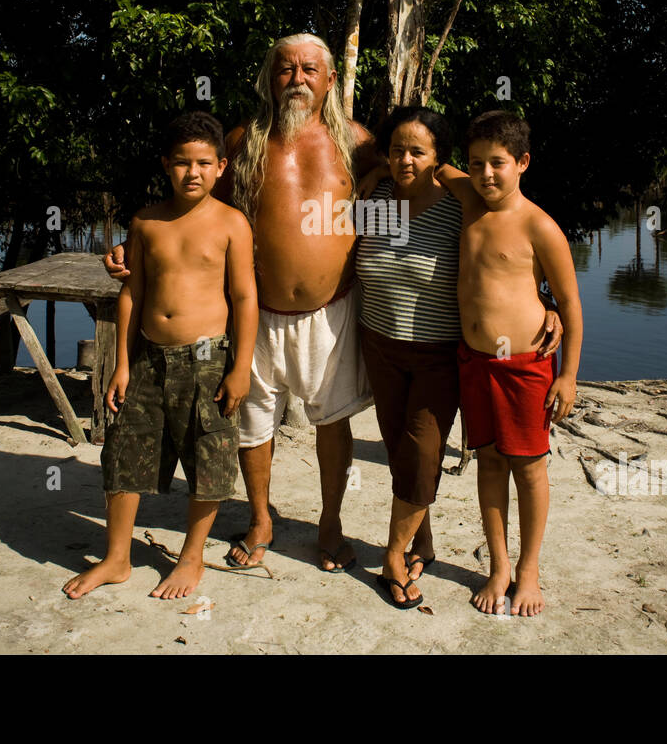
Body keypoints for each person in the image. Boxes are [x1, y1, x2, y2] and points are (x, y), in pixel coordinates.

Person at [106, 33, 378, 572]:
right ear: (268, 78)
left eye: (308, 70)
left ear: (329, 81)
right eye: (285, 69)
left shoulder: (360, 142)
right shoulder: (241, 141)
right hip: (255, 312)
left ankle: (330, 524)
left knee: (333, 421)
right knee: (251, 424)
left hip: (333, 311)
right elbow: (196, 209)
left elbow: (417, 189)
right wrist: (128, 246)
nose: (296, 79)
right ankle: (260, 519)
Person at [355, 108, 564, 609]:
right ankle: (424, 543)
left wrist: (547, 307)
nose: (406, 159)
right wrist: (379, 172)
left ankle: (392, 559)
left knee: (426, 453)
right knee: (406, 454)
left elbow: (506, 255)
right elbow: (337, 252)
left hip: (442, 353)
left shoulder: (461, 203)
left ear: (439, 159)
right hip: (380, 346)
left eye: (418, 151)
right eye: (396, 150)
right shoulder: (372, 201)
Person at [64, 111, 257, 601]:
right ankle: (117, 557)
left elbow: (245, 298)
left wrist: (240, 369)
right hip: (148, 358)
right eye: (181, 163)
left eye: (203, 163)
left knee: (209, 458)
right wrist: (123, 364)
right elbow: (132, 293)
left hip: (209, 361)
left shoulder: (233, 223)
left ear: (221, 166)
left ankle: (192, 558)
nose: (192, 172)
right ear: (165, 166)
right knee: (123, 452)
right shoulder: (146, 221)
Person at [439, 110, 583, 617]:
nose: (485, 175)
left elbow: (569, 302)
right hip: (476, 362)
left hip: (524, 366)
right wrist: (372, 173)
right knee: (489, 461)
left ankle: (529, 570)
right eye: (476, 164)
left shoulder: (539, 225)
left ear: (522, 162)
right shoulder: (468, 200)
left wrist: (567, 374)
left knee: (529, 467)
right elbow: (434, 167)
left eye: (497, 163)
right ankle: (498, 565)